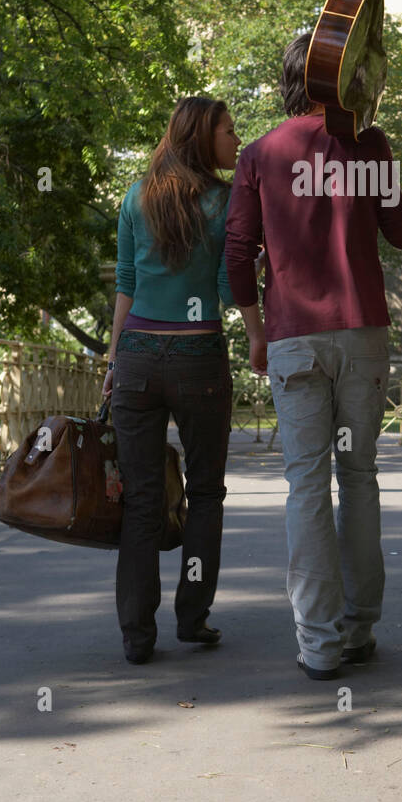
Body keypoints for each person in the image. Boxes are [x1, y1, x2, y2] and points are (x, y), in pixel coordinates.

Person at [225, 32, 402, 680]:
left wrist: (255, 329)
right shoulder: (369, 145)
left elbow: (234, 254)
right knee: (358, 477)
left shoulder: (258, 154)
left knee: (307, 484)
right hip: (362, 332)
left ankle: (319, 644)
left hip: (292, 337)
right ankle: (361, 627)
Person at [103, 96, 262, 664]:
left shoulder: (134, 198)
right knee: (205, 493)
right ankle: (192, 618)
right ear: (201, 138)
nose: (237, 138)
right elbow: (225, 286)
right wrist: (258, 330)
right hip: (198, 361)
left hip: (139, 361)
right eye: (228, 130)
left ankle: (136, 635)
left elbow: (126, 284)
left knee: (142, 502)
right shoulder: (224, 203)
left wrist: (115, 359)